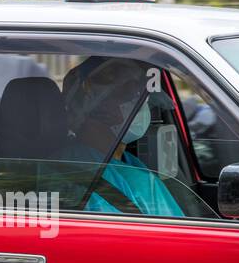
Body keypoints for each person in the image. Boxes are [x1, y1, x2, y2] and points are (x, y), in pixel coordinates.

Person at [62, 56, 184, 217]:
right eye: (129, 96)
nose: (141, 106)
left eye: (141, 98)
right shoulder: (76, 175)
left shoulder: (128, 162)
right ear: (95, 104)